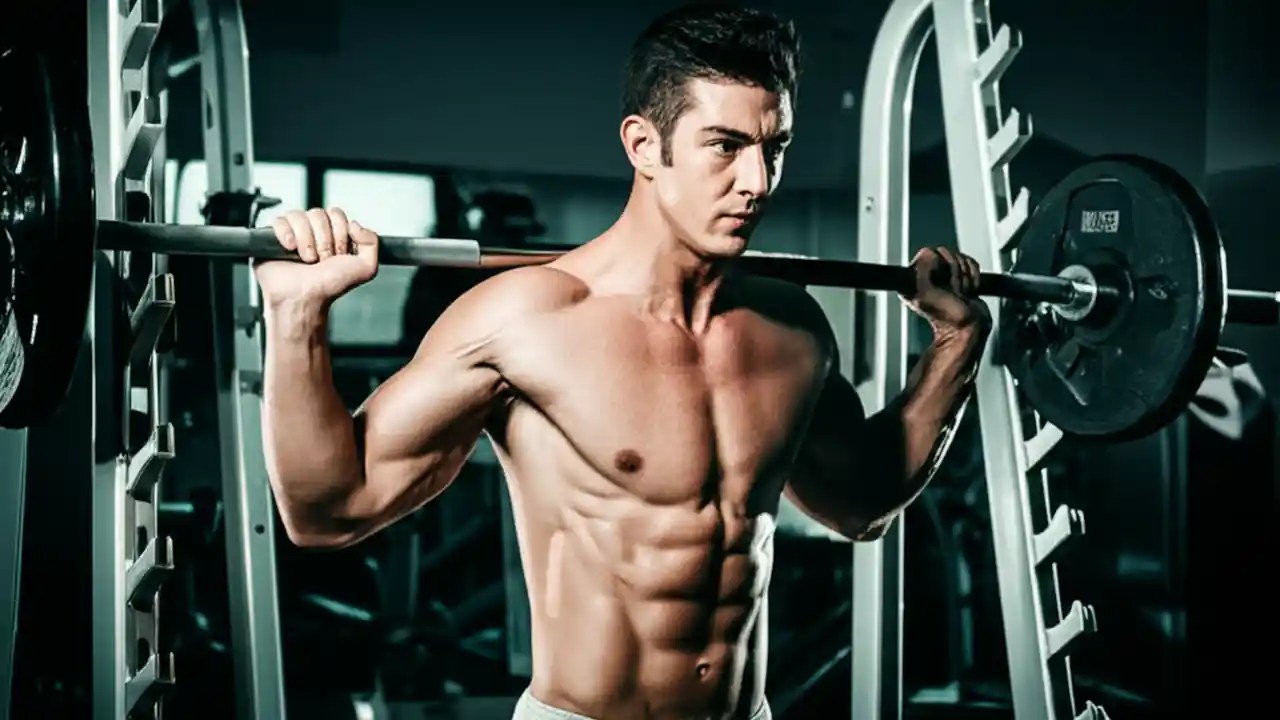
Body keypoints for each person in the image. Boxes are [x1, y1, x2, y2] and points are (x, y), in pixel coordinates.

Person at [254, 4, 990, 719]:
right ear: (644, 145)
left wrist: (956, 347)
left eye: (776, 147)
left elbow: (861, 503)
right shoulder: (527, 321)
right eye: (726, 146)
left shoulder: (791, 326)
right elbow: (326, 512)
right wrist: (296, 317)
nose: (759, 181)